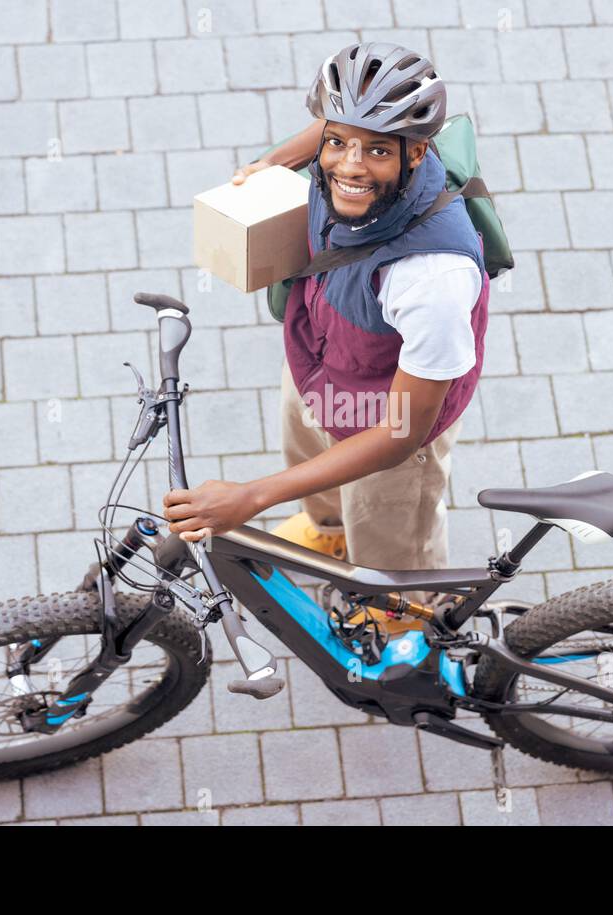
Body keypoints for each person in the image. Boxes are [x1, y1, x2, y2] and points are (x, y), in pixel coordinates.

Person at [162, 43, 490, 632]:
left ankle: (401, 623)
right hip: (326, 361)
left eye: (377, 151)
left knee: (390, 541)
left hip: (389, 423)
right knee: (309, 445)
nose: (349, 167)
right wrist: (274, 163)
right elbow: (339, 131)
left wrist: (253, 498)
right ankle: (329, 532)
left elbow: (397, 434)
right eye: (338, 142)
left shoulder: (432, 276)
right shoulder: (349, 153)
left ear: (417, 153)